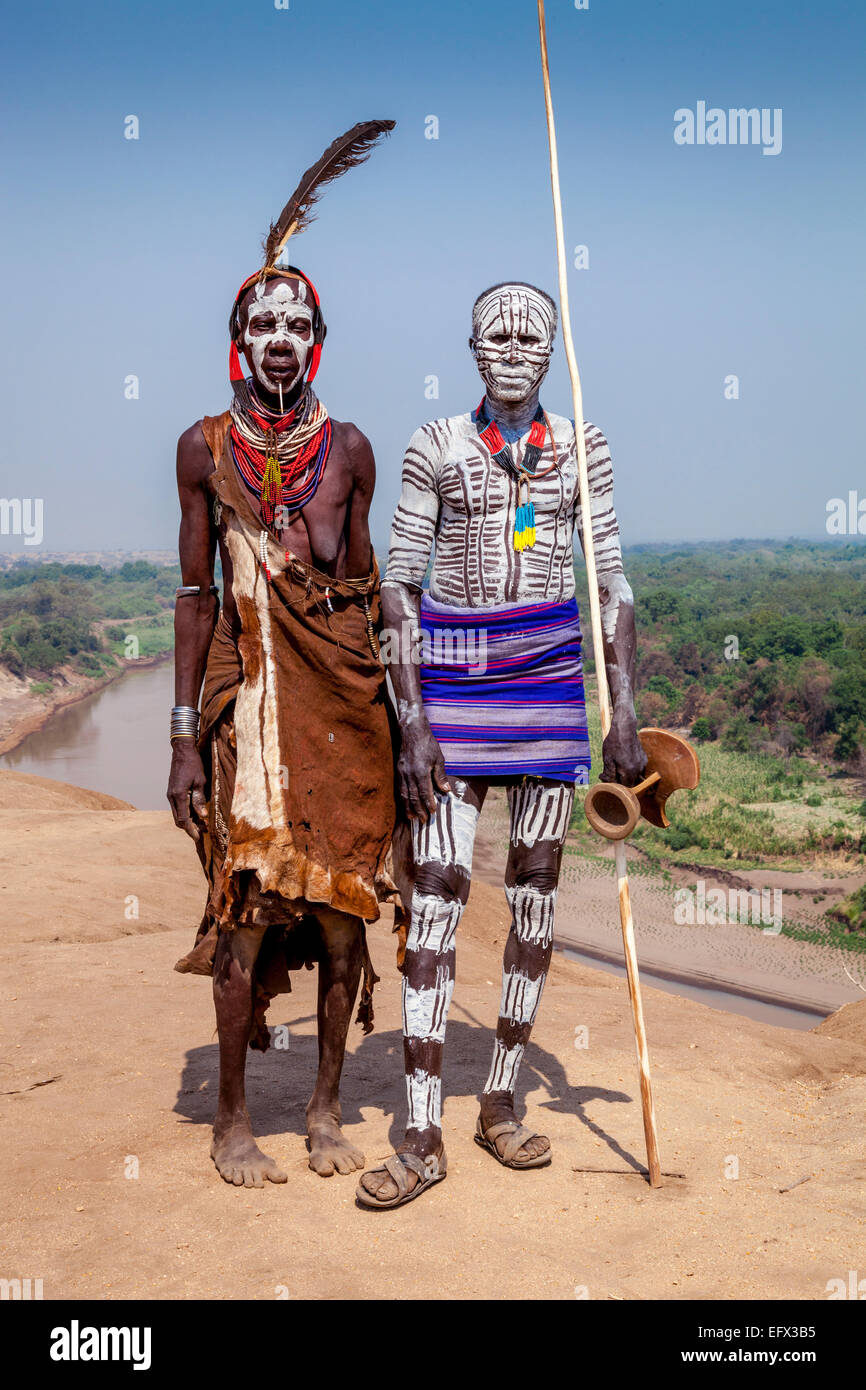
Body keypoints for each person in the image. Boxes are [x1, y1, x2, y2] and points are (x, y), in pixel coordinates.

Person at [357, 281, 644, 1208]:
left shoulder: (581, 448)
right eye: (500, 333)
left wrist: (624, 712)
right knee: (436, 897)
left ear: (554, 350)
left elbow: (611, 583)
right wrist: (412, 724)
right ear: (473, 346)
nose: (518, 346)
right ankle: (419, 1129)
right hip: (450, 681)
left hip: (552, 688)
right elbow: (397, 589)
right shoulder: (433, 445)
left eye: (535, 334)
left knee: (535, 898)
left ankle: (503, 1101)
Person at [169, 256, 399, 1189]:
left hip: (344, 707)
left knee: (346, 914)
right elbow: (194, 594)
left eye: (296, 328)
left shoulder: (348, 450)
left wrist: (409, 722)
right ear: (239, 342)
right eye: (262, 326)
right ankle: (232, 1121)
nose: (279, 342)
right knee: (249, 907)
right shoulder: (203, 449)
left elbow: (370, 596)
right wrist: (185, 735)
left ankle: (325, 1112)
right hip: (252, 702)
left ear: (317, 343)